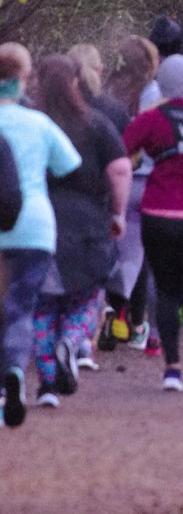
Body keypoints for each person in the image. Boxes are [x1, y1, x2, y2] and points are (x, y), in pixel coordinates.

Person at [30, 55, 130, 405]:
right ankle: (70, 343)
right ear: (76, 82)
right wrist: (118, 213)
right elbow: (119, 170)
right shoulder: (96, 124)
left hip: (38, 224)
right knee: (87, 297)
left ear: (37, 82)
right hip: (88, 223)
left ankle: (45, 385)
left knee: (41, 307)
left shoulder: (32, 124)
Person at [122, 55, 183, 391]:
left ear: (161, 84)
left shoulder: (150, 119)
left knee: (165, 291)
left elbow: (123, 150)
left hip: (159, 213)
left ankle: (173, 370)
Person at [0, 42, 82, 428]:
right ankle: (15, 370)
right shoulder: (39, 123)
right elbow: (70, 165)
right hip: (33, 226)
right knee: (21, 307)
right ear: (24, 79)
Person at [99, 36, 162, 354]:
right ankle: (136, 322)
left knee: (114, 248)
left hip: (113, 179)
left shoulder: (109, 94)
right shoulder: (155, 94)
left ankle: (110, 311)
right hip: (147, 181)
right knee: (142, 257)